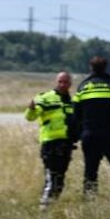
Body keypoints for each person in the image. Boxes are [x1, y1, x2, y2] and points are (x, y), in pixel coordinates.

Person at [73, 56, 110, 195]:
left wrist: (77, 135)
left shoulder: (82, 86)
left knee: (90, 172)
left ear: (90, 67)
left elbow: (75, 115)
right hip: (109, 135)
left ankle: (89, 202)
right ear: (105, 67)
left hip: (89, 135)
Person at [25, 71, 77, 207]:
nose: (62, 84)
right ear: (56, 82)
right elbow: (30, 117)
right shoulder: (45, 97)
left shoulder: (73, 102)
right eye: (60, 81)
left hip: (66, 145)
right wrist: (31, 108)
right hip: (50, 144)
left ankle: (53, 205)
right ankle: (44, 208)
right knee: (51, 178)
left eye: (65, 82)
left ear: (70, 84)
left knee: (60, 179)